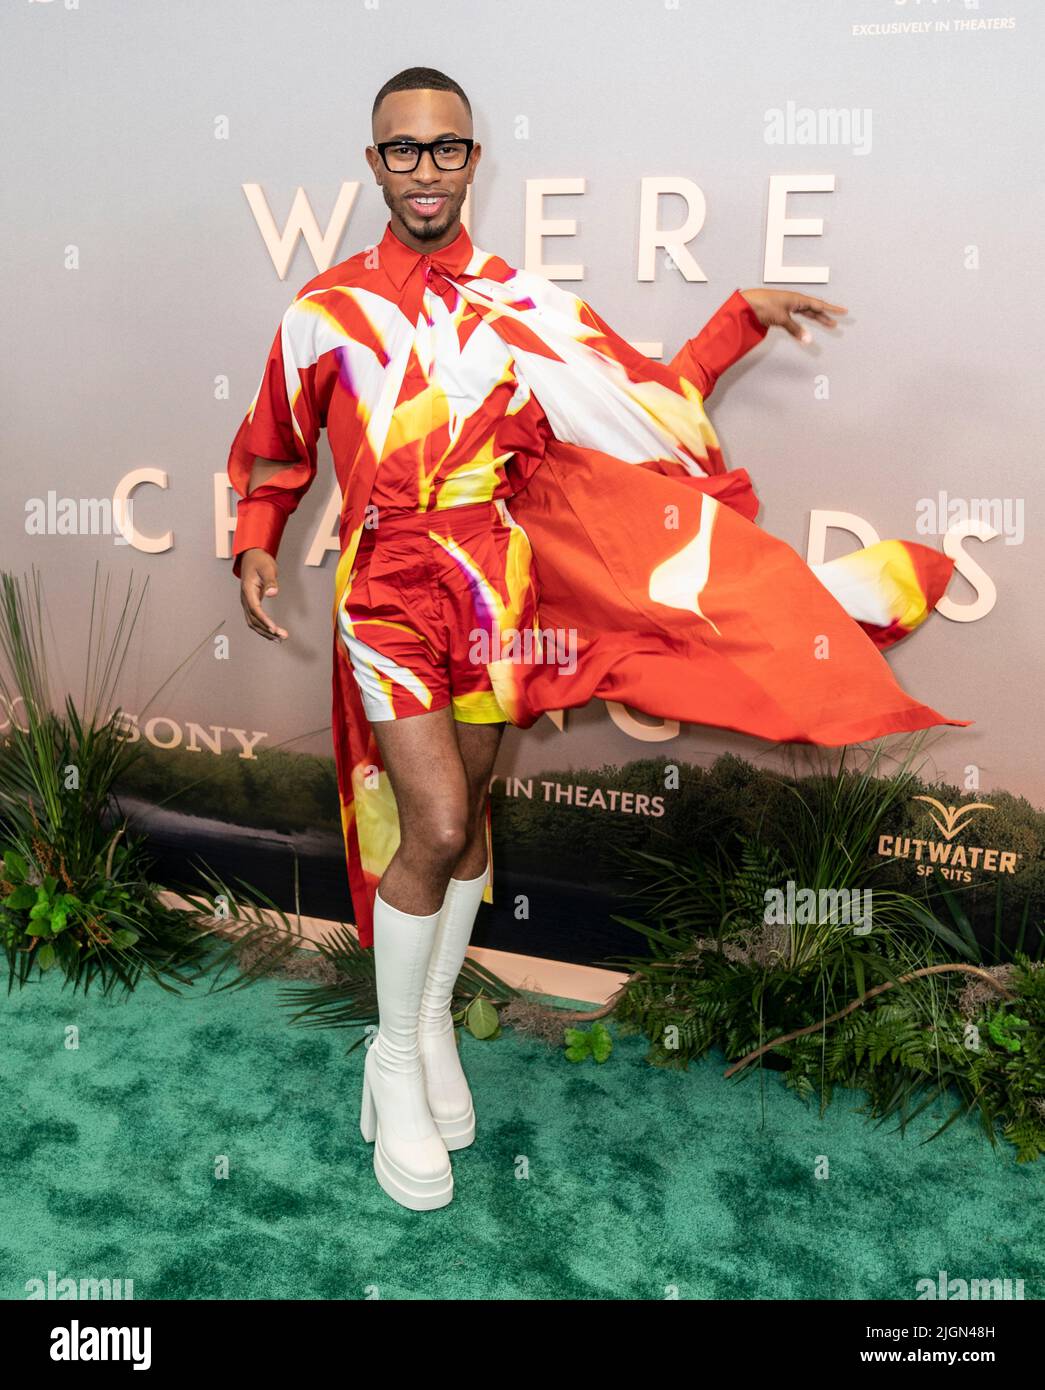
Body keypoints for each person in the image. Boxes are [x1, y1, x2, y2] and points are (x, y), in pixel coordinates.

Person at [227, 67, 968, 1211]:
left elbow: (643, 406)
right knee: (429, 820)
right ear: (374, 166)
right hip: (389, 592)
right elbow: (276, 444)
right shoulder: (323, 311)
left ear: (475, 159)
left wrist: (733, 324)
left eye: (446, 147)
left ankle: (428, 1038)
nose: (426, 169)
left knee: (470, 820)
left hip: (495, 589)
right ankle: (388, 1055)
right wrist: (258, 535)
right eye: (403, 151)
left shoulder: (526, 307)